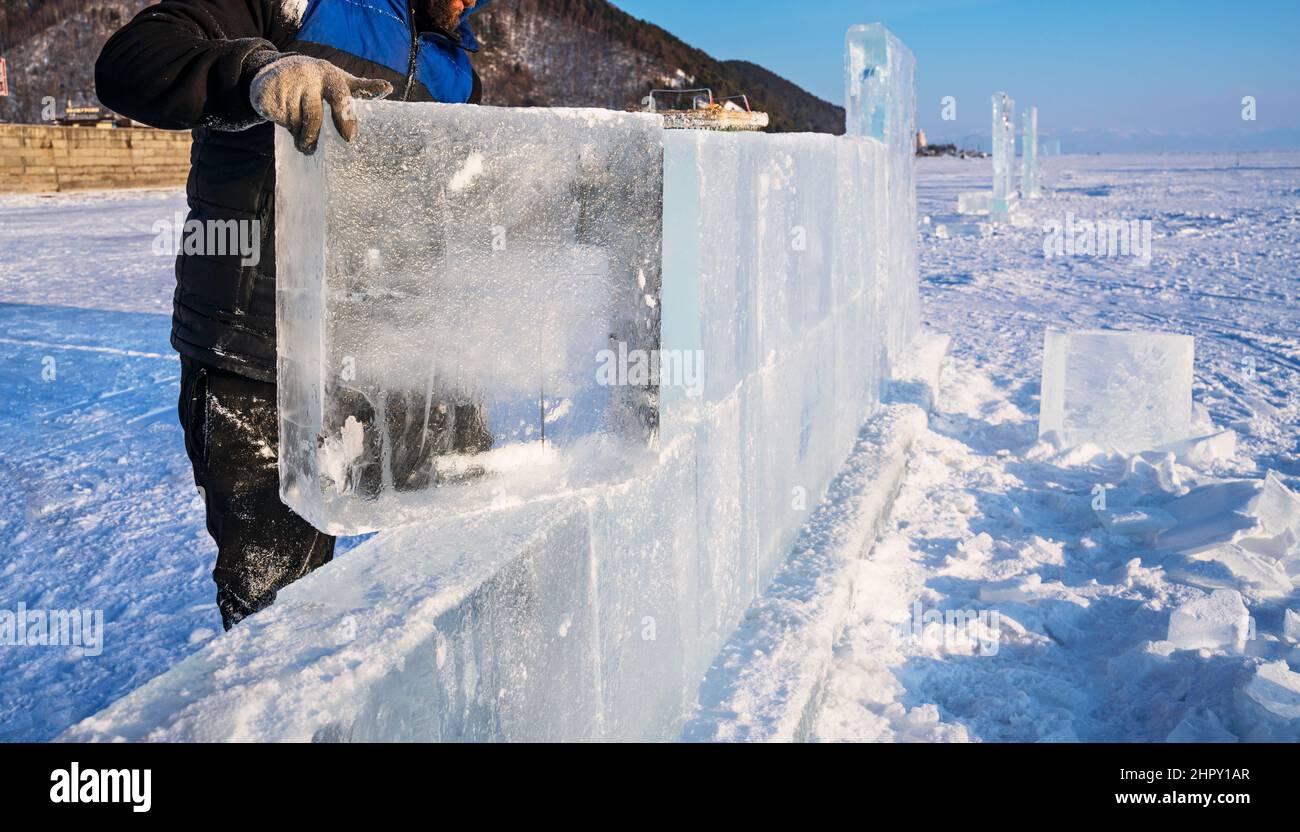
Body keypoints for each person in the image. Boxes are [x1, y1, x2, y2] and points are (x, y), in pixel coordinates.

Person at [95, 0, 487, 630]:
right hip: (262, 350)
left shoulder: (454, 62)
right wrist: (256, 73)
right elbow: (131, 60)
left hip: (397, 344)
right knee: (285, 612)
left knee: (460, 561)